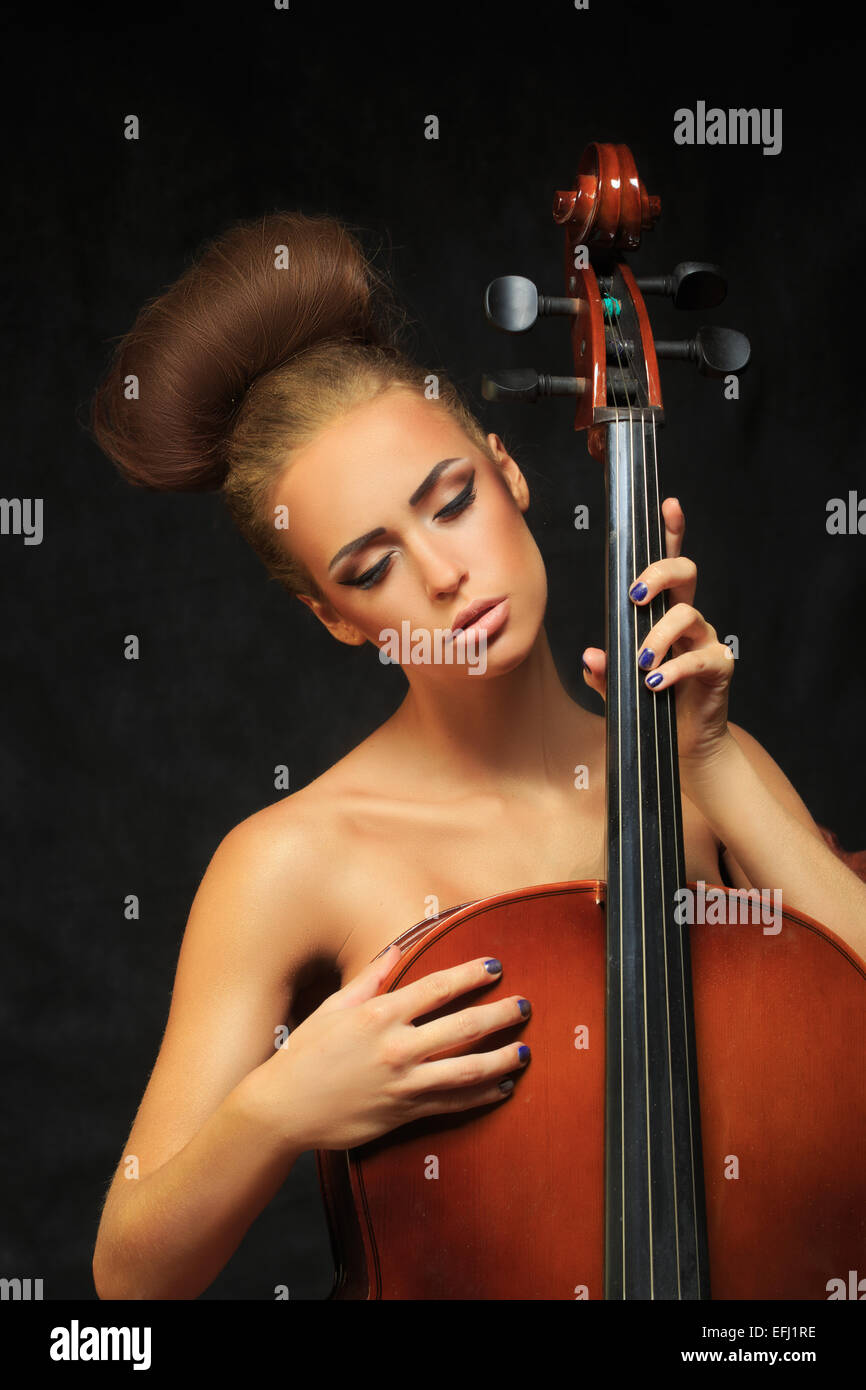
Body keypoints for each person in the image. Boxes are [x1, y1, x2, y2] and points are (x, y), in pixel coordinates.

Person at [87, 211, 866, 1300]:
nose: (443, 576)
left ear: (507, 472)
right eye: (371, 566)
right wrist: (275, 1107)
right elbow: (129, 1278)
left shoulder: (704, 781)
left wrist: (720, 759)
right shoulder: (288, 858)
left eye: (450, 500)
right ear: (334, 619)